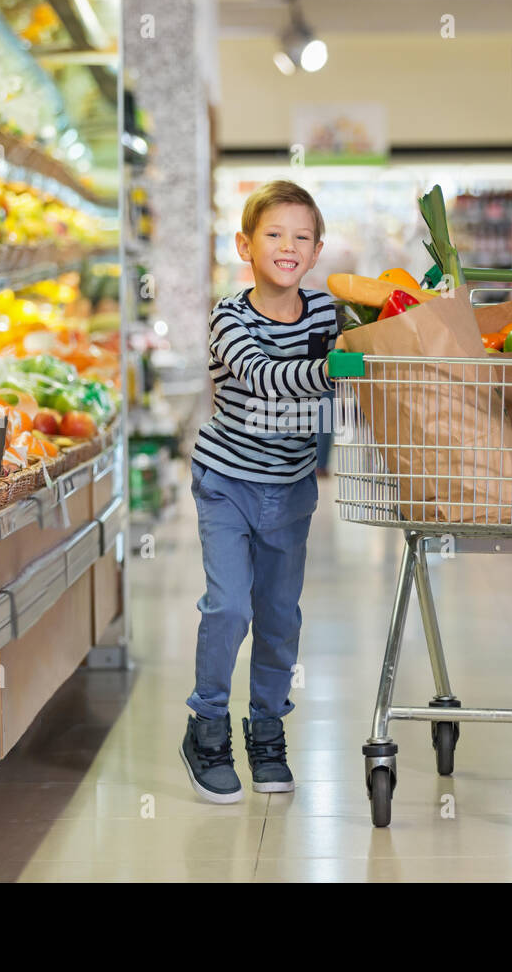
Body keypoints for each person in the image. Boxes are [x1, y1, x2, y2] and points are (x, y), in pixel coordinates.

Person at [181, 180, 338, 803]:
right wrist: (329, 371)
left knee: (279, 617)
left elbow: (340, 392)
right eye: (274, 234)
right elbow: (264, 376)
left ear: (318, 249)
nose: (288, 246)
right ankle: (208, 725)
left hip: (291, 490)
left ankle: (267, 729)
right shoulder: (229, 315)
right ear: (244, 245)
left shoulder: (326, 313)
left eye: (302, 236)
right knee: (229, 607)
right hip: (226, 483)